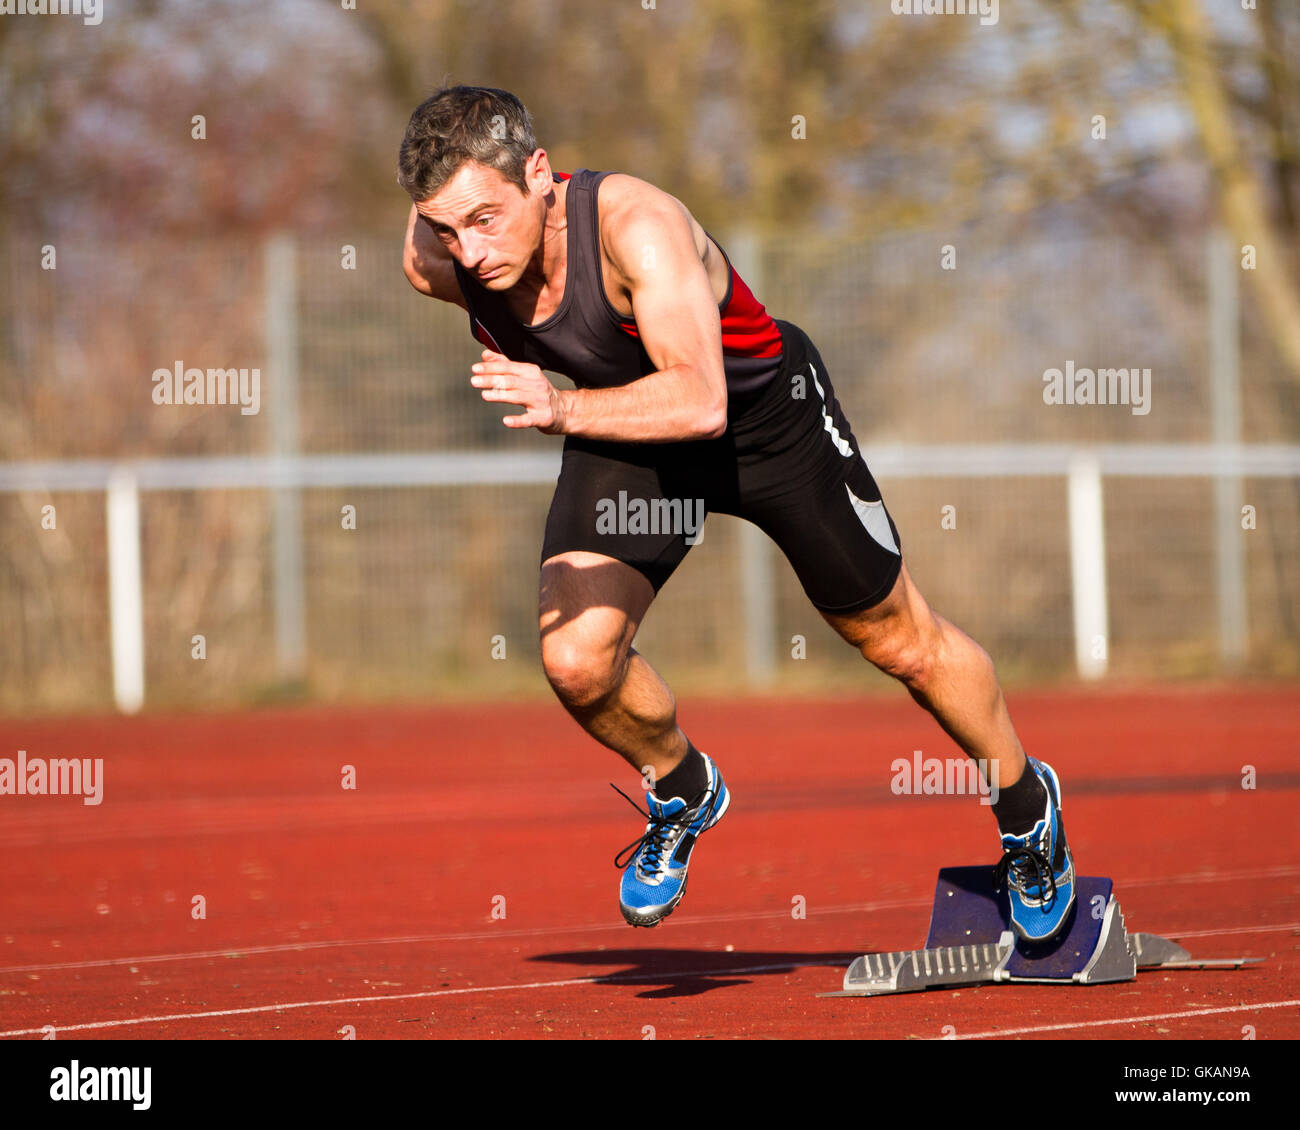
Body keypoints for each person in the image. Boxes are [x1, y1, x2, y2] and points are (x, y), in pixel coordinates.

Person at [398, 85, 1075, 941]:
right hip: (634, 435)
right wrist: (572, 399)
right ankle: (682, 787)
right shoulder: (435, 261)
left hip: (761, 422)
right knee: (576, 660)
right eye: (446, 228)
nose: (470, 250)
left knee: (900, 640)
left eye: (486, 218)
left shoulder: (635, 226)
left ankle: (1025, 807)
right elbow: (451, 244)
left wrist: (562, 409)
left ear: (540, 174)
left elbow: (701, 401)